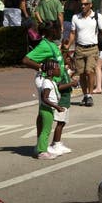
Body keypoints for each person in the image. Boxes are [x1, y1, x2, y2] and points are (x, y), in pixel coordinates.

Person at [23, 23, 76, 157]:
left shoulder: (51, 44)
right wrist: (42, 67)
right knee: (46, 113)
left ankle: (44, 144)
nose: (61, 31)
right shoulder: (44, 45)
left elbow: (57, 60)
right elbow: (26, 60)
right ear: (53, 31)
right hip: (46, 82)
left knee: (46, 113)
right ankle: (41, 148)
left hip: (55, 82)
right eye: (59, 29)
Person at [63, 0, 102, 106]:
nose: (83, 6)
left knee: (89, 71)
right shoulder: (75, 17)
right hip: (79, 48)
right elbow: (73, 33)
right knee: (81, 73)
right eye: (81, 4)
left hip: (92, 48)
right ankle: (85, 95)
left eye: (85, 4)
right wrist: (68, 45)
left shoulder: (97, 17)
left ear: (90, 5)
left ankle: (90, 95)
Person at [32, 58, 72, 160]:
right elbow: (44, 98)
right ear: (50, 71)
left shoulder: (51, 81)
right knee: (46, 131)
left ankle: (42, 149)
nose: (59, 70)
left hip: (48, 109)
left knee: (47, 130)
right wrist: (57, 107)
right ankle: (42, 152)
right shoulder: (47, 83)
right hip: (46, 110)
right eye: (57, 68)